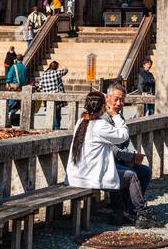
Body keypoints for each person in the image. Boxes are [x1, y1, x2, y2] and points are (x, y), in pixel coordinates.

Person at [66, 90, 156, 228]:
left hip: (75, 175)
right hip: (91, 176)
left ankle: (119, 213)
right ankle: (142, 214)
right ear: (103, 106)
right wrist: (116, 116)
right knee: (130, 176)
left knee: (117, 172)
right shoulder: (100, 125)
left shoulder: (81, 122)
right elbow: (123, 135)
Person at [103, 82, 154, 221]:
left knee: (145, 171)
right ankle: (132, 210)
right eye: (116, 99)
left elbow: (126, 141)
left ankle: (131, 206)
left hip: (121, 158)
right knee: (129, 173)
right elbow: (110, 148)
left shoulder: (119, 117)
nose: (119, 103)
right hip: (109, 161)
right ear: (108, 98)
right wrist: (129, 157)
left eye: (122, 99)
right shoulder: (104, 119)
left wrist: (134, 153)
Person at [37, 59, 69, 129]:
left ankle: (49, 128)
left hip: (47, 97)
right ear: (56, 67)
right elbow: (66, 70)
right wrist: (61, 64)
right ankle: (56, 128)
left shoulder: (43, 75)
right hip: (57, 97)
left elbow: (39, 87)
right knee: (57, 115)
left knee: (50, 115)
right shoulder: (56, 73)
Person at [4, 52, 27, 126]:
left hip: (15, 88)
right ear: (22, 59)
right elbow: (27, 79)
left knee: (11, 105)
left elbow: (9, 76)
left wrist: (8, 83)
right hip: (23, 89)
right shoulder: (25, 68)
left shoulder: (14, 67)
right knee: (19, 106)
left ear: (16, 59)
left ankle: (8, 121)